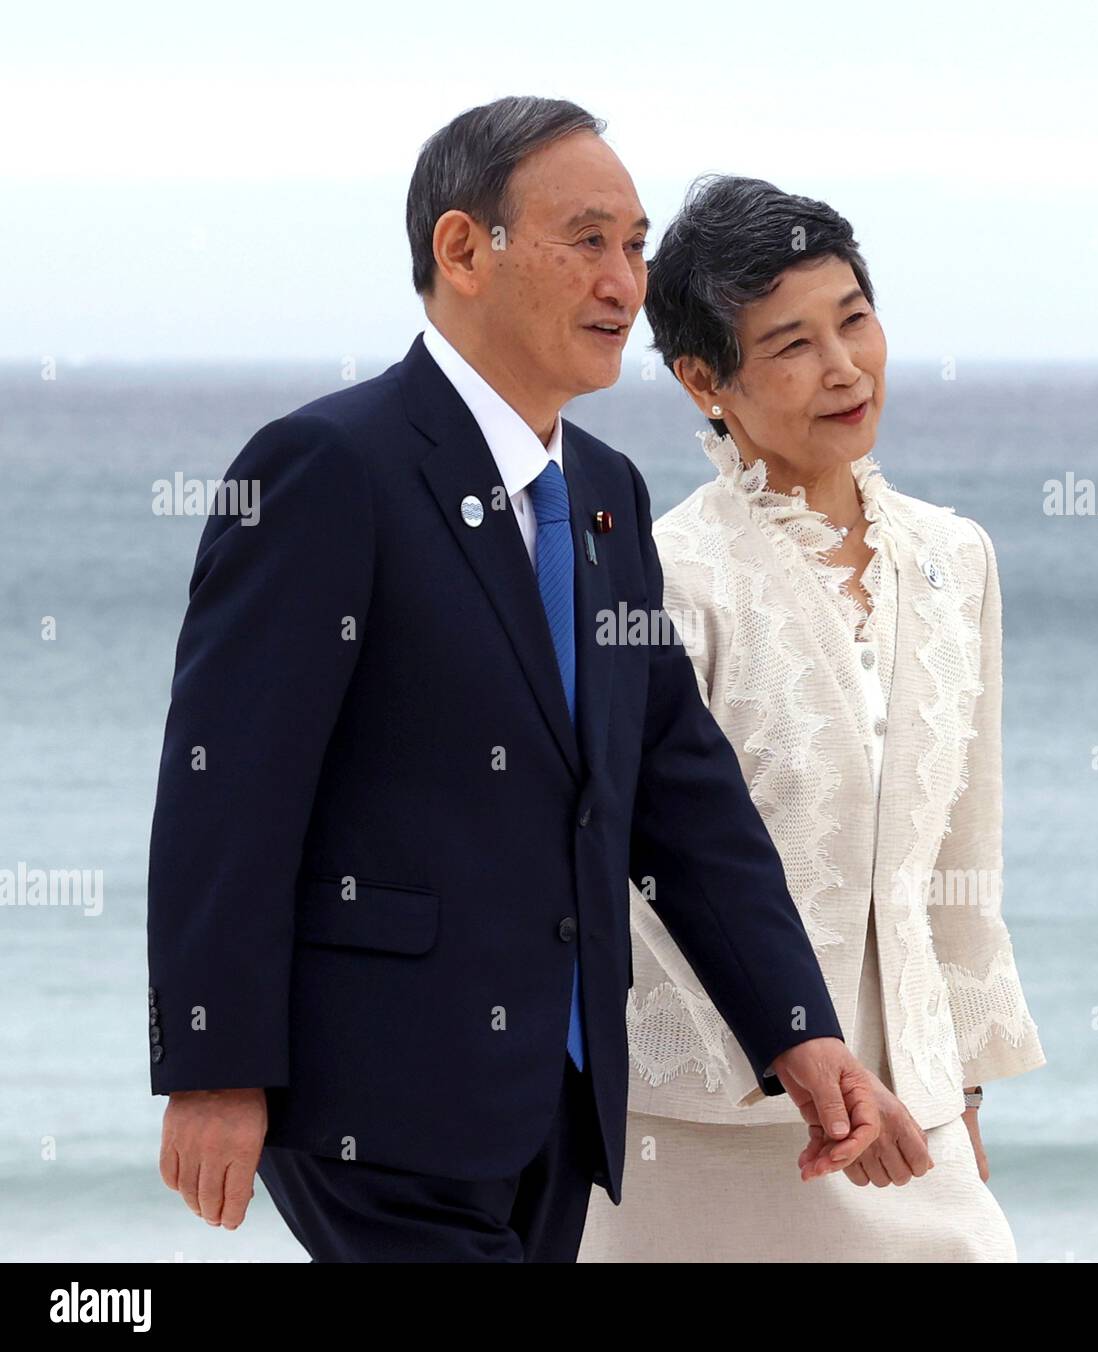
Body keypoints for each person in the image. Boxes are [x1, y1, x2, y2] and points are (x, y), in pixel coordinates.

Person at [144, 101, 890, 1264]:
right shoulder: (329, 467)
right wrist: (213, 1065)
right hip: (371, 1102)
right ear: (461, 252)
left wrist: (795, 1028)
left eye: (636, 246)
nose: (624, 281)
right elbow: (224, 788)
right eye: (585, 240)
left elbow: (673, 778)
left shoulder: (604, 492)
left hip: (555, 1103)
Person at [578, 176, 1047, 1263]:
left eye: (854, 318)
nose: (842, 366)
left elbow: (962, 857)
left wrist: (958, 1084)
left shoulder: (954, 557)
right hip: (703, 1130)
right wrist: (790, 1052)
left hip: (914, 1121)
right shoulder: (663, 577)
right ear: (706, 381)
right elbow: (644, 867)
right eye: (790, 343)